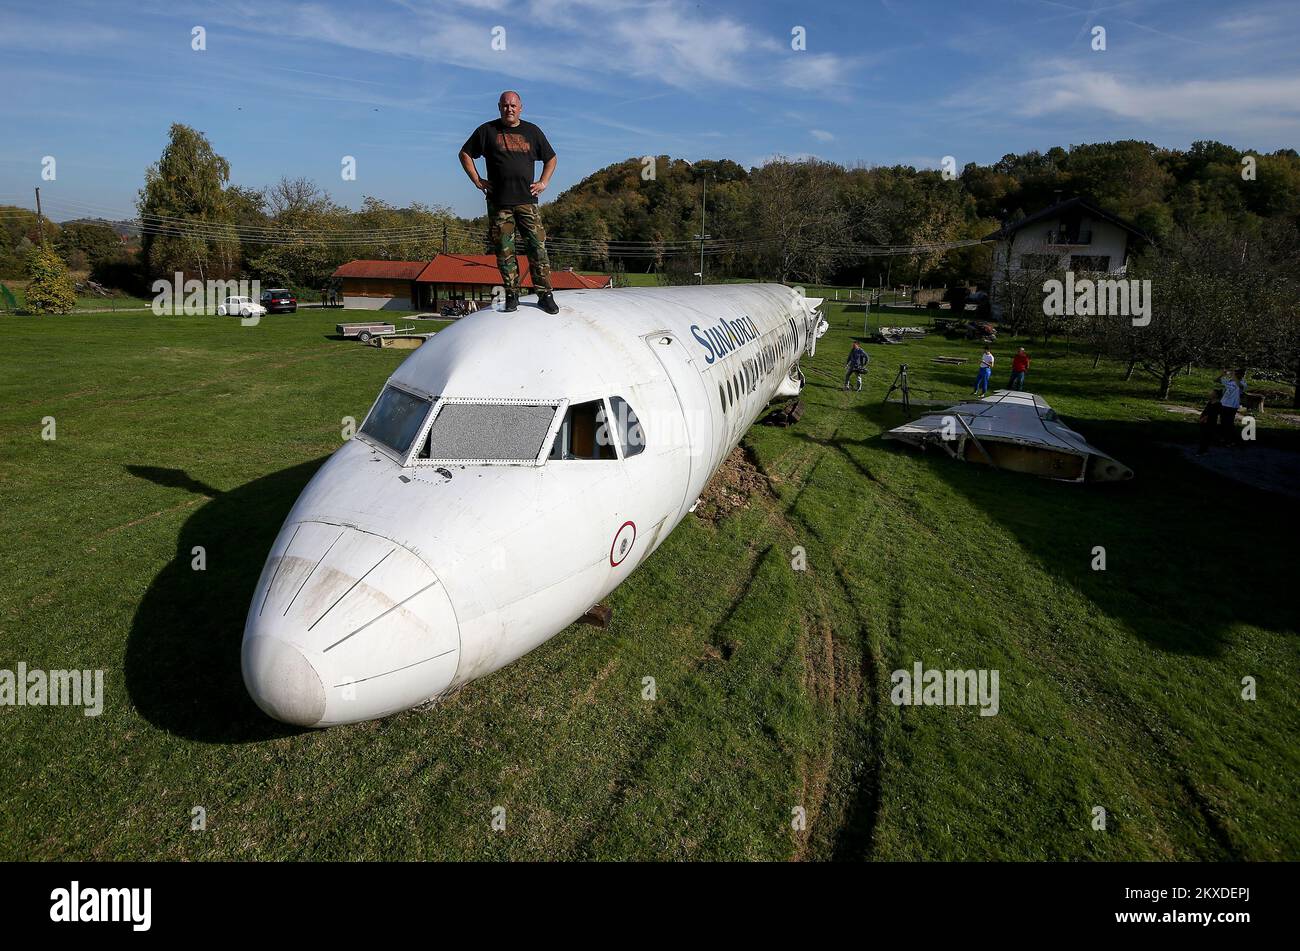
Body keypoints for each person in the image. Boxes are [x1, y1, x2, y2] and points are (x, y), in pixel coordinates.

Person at [459, 90, 559, 315]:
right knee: (505, 252)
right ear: (499, 107)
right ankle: (512, 295)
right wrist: (477, 180)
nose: (509, 109)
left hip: (527, 202)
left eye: (513, 105)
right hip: (499, 203)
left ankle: (545, 295)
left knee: (537, 248)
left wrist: (544, 181)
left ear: (520, 107)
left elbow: (551, 158)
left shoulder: (532, 131)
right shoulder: (487, 131)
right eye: (505, 105)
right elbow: (464, 154)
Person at [1199, 368, 1246, 453]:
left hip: (1232, 406)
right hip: (1223, 404)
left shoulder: (1243, 383)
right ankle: (1223, 439)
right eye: (1235, 373)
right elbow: (1216, 380)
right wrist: (1222, 374)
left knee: (1229, 423)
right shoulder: (1230, 381)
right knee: (1222, 422)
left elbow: (1241, 387)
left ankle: (1231, 440)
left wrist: (1233, 376)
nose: (1234, 374)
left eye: (1237, 373)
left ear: (1240, 375)